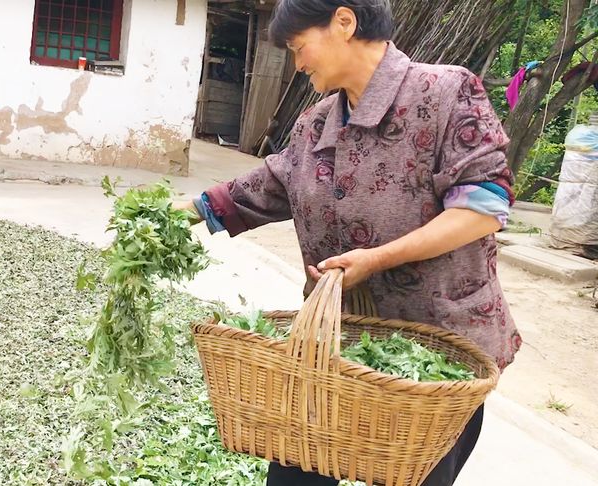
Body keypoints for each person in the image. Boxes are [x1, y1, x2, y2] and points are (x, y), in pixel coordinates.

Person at [177, 0, 522, 484]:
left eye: (300, 47)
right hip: (336, 342)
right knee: (297, 470)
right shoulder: (315, 123)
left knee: (413, 474)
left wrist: (377, 259)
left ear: (344, 22)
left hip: (433, 349)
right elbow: (265, 186)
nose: (298, 64)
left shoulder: (444, 93)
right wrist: (174, 216)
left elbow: (481, 209)